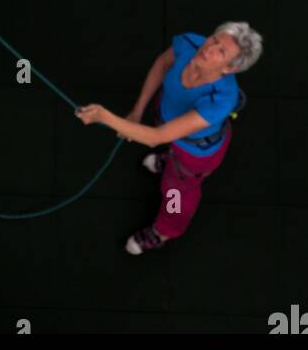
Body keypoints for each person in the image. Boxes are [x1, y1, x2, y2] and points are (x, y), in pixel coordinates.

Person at [75, 22, 263, 254]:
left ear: (229, 69)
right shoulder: (190, 42)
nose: (209, 48)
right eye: (214, 39)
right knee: (169, 152)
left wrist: (105, 117)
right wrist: (136, 111)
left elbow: (156, 137)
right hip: (167, 123)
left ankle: (164, 230)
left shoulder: (220, 100)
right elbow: (163, 64)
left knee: (175, 191)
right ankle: (169, 158)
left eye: (221, 51)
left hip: (192, 154)